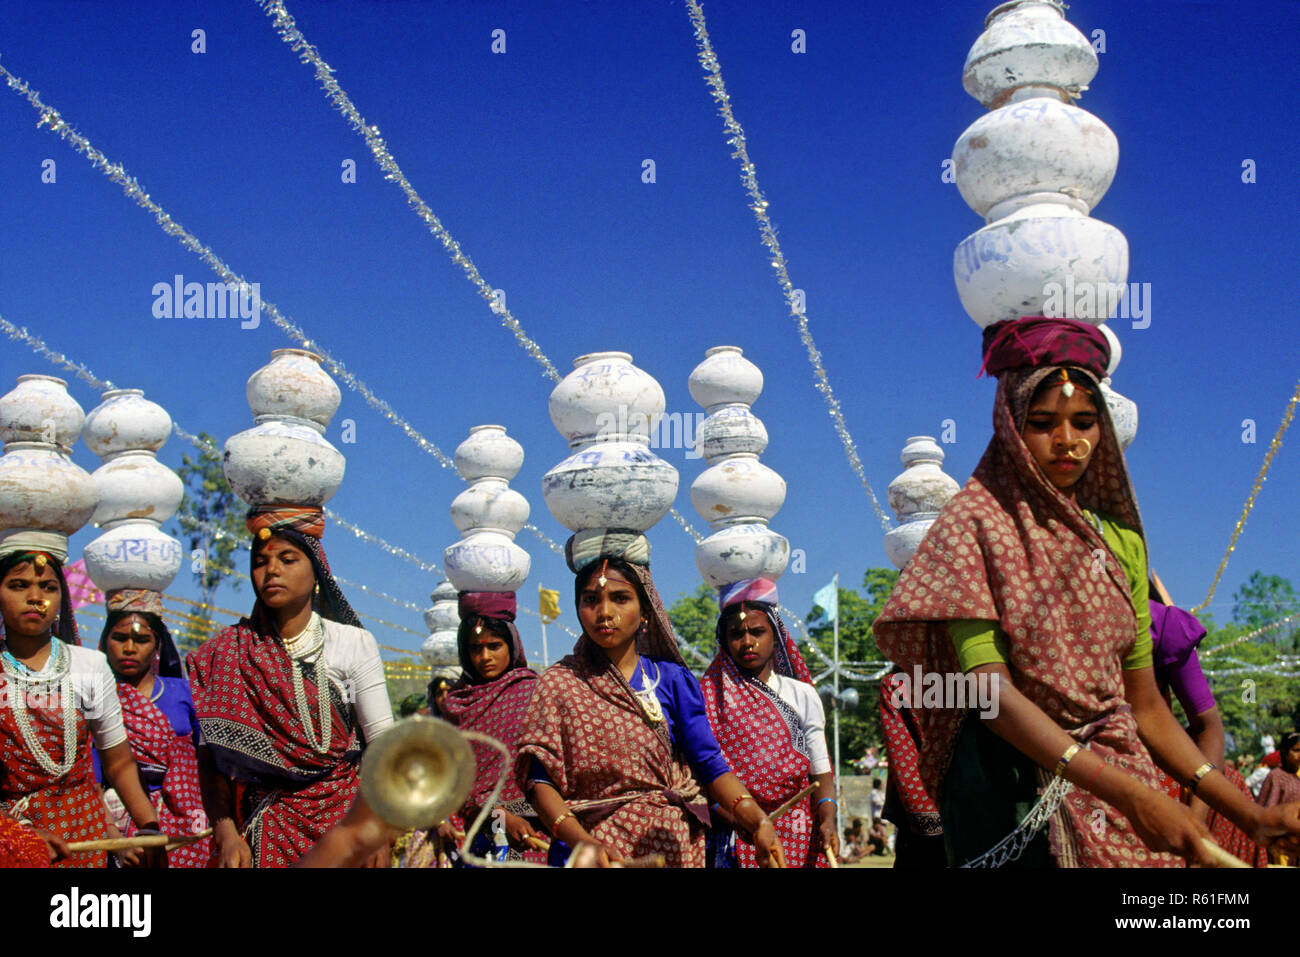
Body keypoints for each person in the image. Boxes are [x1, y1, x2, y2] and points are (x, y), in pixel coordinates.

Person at [874, 317, 1300, 867]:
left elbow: (1146, 707)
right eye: (1042, 422)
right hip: (1007, 794)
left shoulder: (1121, 540)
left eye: (1084, 422)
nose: (1067, 441)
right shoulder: (972, 527)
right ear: (1009, 424)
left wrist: (1249, 815)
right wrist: (1133, 797)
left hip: (1121, 777)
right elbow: (990, 695)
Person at [516, 531, 785, 867]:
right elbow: (539, 781)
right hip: (588, 854)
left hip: (668, 848)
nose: (604, 612)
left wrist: (758, 821)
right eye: (591, 600)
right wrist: (583, 842)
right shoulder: (558, 684)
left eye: (620, 598)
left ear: (645, 609)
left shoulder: (671, 680)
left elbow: (709, 764)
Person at [187, 508, 395, 867]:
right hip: (265, 830)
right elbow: (211, 760)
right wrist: (226, 836)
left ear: (317, 572)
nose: (272, 570)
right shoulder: (227, 652)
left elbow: (384, 746)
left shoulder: (352, 643)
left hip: (346, 829)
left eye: (287, 559)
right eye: (260, 562)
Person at [0, 547, 164, 868]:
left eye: (48, 587)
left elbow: (118, 764)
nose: (36, 598)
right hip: (10, 840)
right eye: (18, 586)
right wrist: (16, 834)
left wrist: (149, 827)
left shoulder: (89, 666)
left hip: (84, 837)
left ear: (62, 598)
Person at [699, 577, 836, 868]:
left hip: (798, 832)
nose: (747, 642)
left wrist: (828, 818)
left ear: (776, 637)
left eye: (757, 632)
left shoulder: (802, 695)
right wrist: (744, 821)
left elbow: (821, 771)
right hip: (735, 833)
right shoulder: (708, 698)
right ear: (724, 641)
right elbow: (702, 777)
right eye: (736, 634)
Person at [1145, 593, 1267, 866]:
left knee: (1231, 786)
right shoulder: (1052, 619)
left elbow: (1207, 726)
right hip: (1077, 776)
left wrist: (1196, 820)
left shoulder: (1159, 625)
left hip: (1163, 774)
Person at [94, 599, 212, 867]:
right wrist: (115, 841)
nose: (129, 648)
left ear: (157, 645)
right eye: (119, 638)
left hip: (188, 817)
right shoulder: (95, 699)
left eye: (141, 640)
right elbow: (90, 781)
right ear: (104, 642)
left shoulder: (185, 693)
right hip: (117, 821)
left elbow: (208, 764)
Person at [439, 591, 544, 864]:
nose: (484, 656)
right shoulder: (456, 705)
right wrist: (500, 815)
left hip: (534, 828)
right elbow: (453, 779)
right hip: (479, 833)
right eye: (476, 648)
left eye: (494, 646)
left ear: (512, 644)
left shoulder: (534, 693)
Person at [1257, 732, 1300, 866]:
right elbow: (1269, 809)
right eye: (1296, 750)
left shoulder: (1298, 776)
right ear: (1285, 752)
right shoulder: (1276, 776)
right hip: (1279, 842)